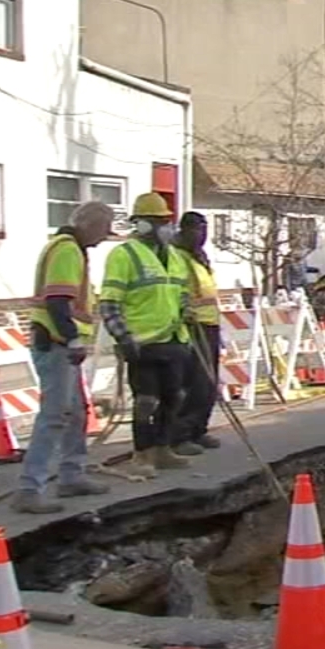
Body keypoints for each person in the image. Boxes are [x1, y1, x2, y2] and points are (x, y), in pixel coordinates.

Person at [11, 201, 117, 513]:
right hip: (56, 343)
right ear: (90, 225)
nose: (102, 240)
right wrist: (72, 339)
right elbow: (58, 300)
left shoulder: (69, 248)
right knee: (55, 415)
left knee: (77, 414)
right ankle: (29, 489)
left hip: (59, 344)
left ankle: (72, 475)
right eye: (102, 232)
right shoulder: (67, 250)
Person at [99, 192, 194, 478]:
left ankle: (163, 448)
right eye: (158, 221)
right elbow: (109, 302)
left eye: (167, 221)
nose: (166, 227)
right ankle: (142, 453)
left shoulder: (175, 257)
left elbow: (181, 292)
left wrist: (186, 309)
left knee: (174, 396)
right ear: (141, 224)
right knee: (146, 401)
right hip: (143, 343)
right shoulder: (124, 255)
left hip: (175, 340)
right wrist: (123, 337)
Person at [171, 212, 222, 457]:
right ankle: (180, 434)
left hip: (209, 323)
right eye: (197, 230)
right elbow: (178, 291)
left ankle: (199, 428)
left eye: (205, 230)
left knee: (208, 383)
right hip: (192, 325)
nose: (202, 236)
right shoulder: (178, 257)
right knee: (193, 383)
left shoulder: (199, 257)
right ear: (184, 230)